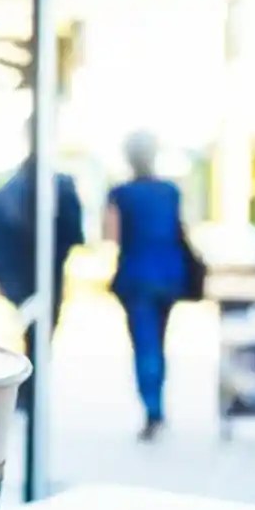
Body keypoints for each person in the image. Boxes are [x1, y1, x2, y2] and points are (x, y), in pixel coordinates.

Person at [104, 130, 190, 441]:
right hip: (169, 276)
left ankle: (153, 410)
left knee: (145, 344)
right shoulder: (170, 191)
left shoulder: (121, 194)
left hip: (136, 276)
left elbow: (110, 237)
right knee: (160, 342)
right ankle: (158, 407)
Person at [0, 143, 85, 332]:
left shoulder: (4, 193)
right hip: (41, 271)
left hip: (19, 274)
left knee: (35, 329)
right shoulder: (60, 186)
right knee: (40, 329)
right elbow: (74, 232)